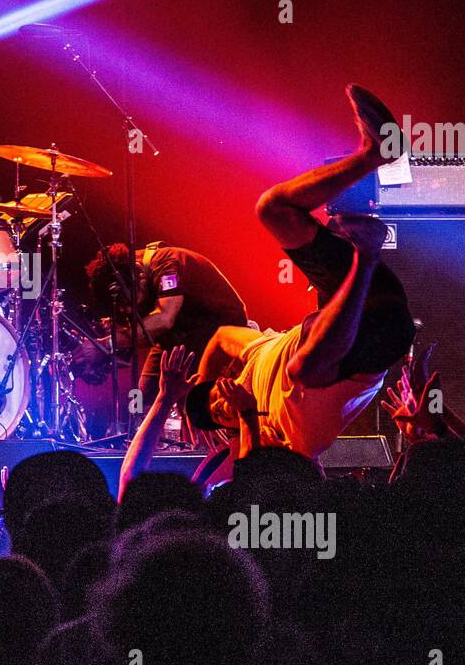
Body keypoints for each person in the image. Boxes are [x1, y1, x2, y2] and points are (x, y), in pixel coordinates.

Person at [179, 84, 418, 473]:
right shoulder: (283, 433)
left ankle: (374, 154)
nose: (221, 401)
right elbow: (267, 477)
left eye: (216, 396)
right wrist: (246, 418)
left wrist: (200, 382)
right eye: (219, 412)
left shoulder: (255, 354)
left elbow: (222, 337)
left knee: (272, 209)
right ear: (229, 427)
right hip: (378, 340)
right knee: (301, 370)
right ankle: (365, 255)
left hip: (353, 297)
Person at [82, 242, 247, 411]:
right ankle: (139, 425)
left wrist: (107, 344)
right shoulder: (131, 282)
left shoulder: (168, 265)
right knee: (139, 400)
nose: (128, 309)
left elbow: (164, 318)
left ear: (140, 276)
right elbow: (142, 334)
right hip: (179, 336)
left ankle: (193, 422)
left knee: (189, 400)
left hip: (216, 329)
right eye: (122, 306)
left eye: (128, 302)